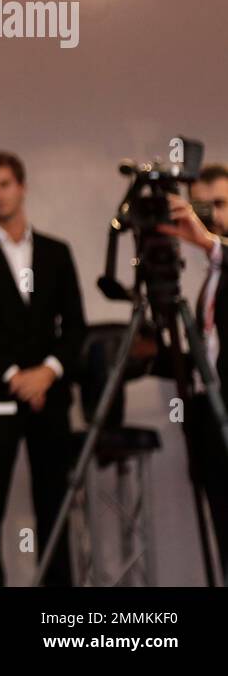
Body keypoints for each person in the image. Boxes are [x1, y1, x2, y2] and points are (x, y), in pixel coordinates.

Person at [0, 151, 84, 586]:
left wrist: (47, 372)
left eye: (4, 184)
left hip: (50, 393)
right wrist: (14, 375)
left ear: (21, 186)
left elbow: (76, 325)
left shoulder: (56, 252)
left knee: (55, 501)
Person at [158, 167, 228, 576]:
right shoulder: (211, 277)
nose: (212, 216)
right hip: (210, 425)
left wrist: (208, 243)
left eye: (220, 204)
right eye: (203, 207)